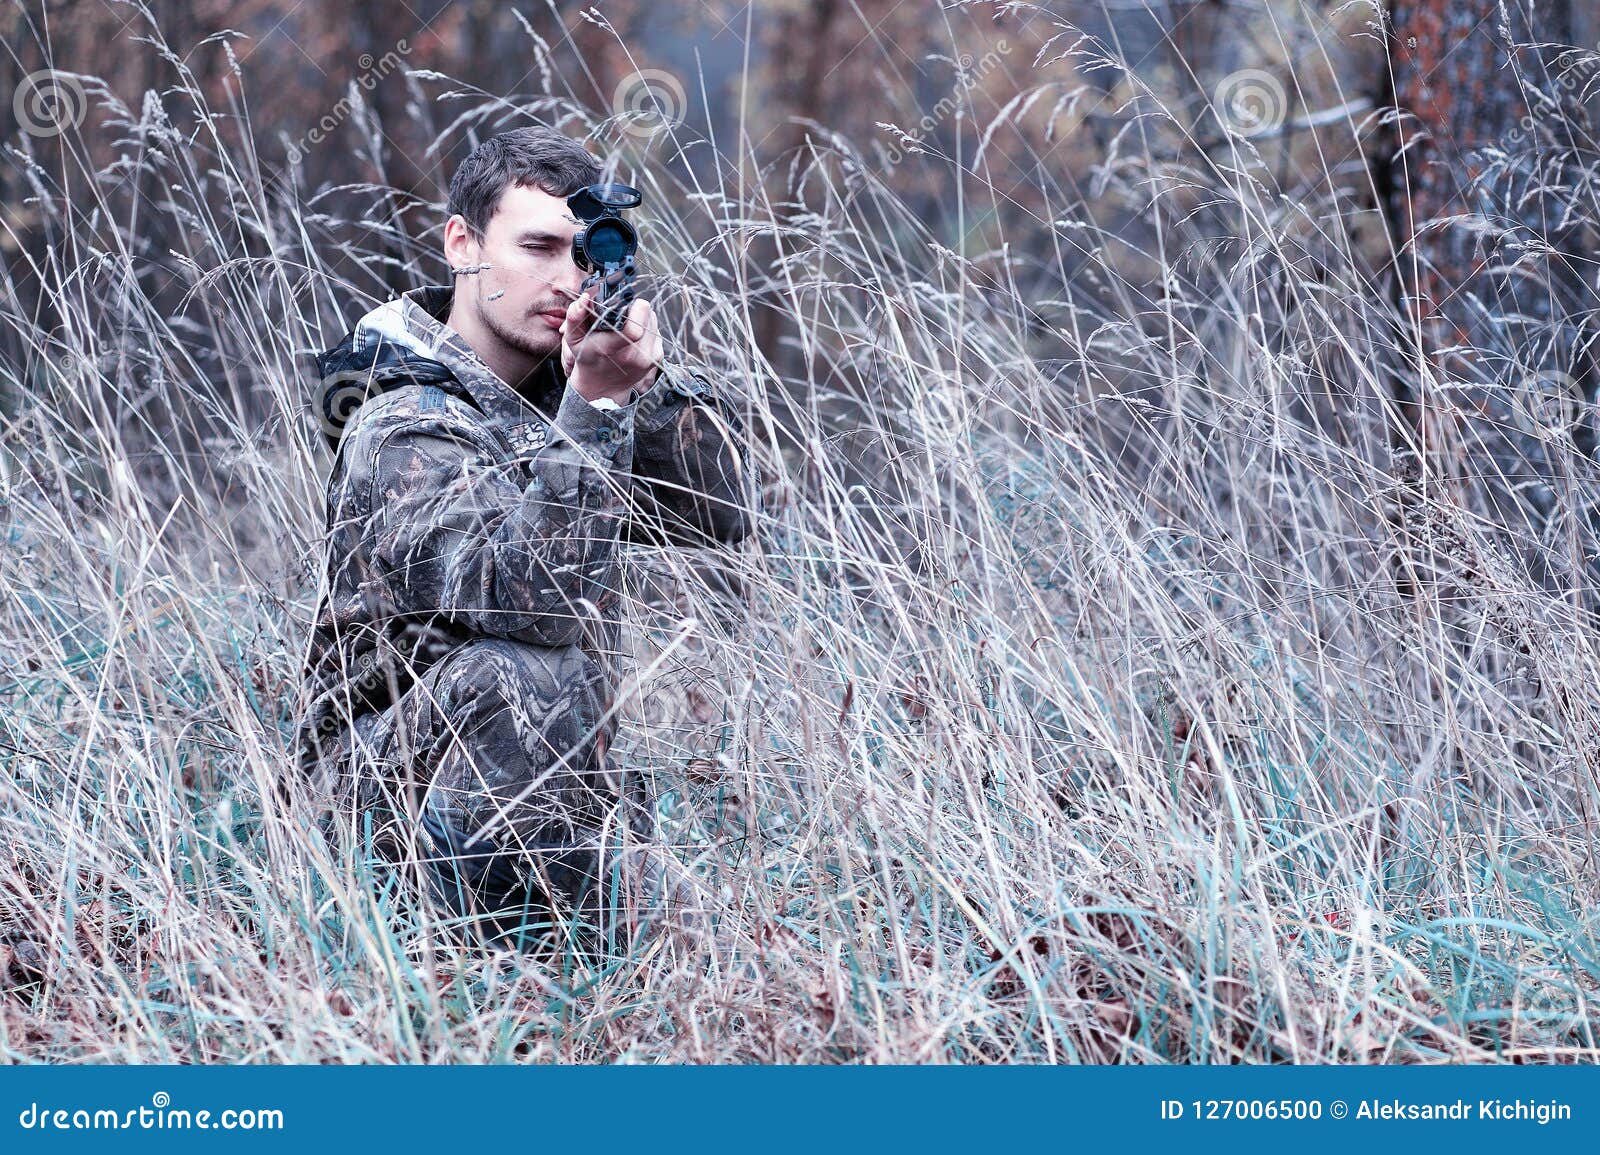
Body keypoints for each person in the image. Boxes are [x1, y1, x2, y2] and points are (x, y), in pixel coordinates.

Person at [295, 126, 753, 949]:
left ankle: (578, 950)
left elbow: (725, 511)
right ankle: (501, 967)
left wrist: (638, 386)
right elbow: (535, 607)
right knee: (523, 674)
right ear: (463, 244)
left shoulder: (566, 386)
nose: (565, 277)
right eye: (537, 245)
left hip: (526, 791)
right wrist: (596, 410)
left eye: (587, 254)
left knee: (719, 936)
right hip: (369, 817)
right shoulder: (398, 418)